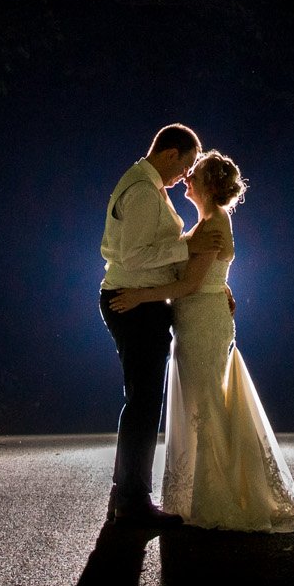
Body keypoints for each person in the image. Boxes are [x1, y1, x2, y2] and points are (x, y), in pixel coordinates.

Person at [108, 149, 294, 532]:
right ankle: (201, 491)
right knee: (204, 405)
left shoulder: (213, 223)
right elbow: (207, 273)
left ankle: (216, 497)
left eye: (193, 174)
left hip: (202, 324)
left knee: (206, 406)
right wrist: (222, 287)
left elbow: (189, 283)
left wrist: (139, 296)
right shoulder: (208, 221)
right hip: (198, 320)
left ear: (206, 184)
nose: (186, 177)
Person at [98, 123, 202, 527]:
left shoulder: (150, 184)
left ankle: (126, 490)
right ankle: (133, 500)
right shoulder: (143, 190)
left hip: (140, 300)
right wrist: (189, 246)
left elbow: (154, 253)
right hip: (133, 301)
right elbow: (138, 256)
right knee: (143, 401)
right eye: (187, 163)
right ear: (170, 152)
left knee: (142, 399)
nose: (186, 175)